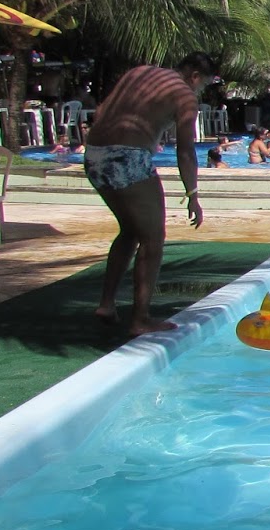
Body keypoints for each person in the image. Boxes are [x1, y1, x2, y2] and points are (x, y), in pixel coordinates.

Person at [82, 52, 213, 335]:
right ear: (194, 77)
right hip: (127, 157)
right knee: (153, 238)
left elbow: (104, 109)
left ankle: (107, 304)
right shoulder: (183, 94)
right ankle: (140, 319)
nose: (200, 91)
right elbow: (186, 150)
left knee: (130, 231)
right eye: (203, 85)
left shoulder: (139, 72)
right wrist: (192, 194)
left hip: (93, 156)